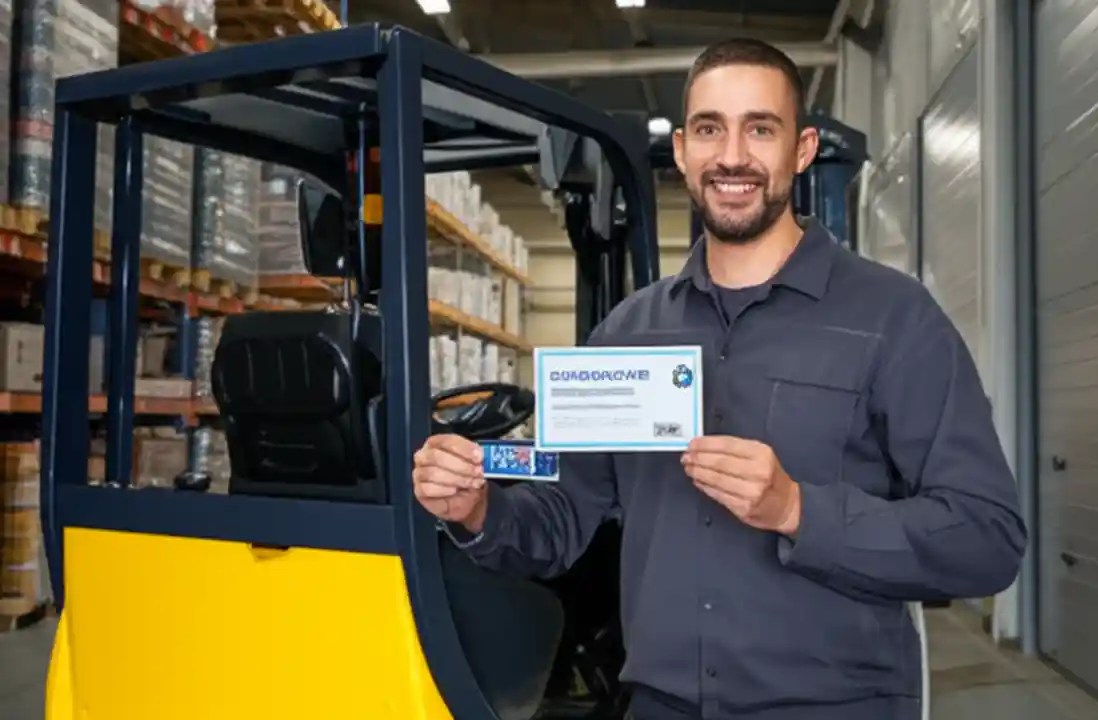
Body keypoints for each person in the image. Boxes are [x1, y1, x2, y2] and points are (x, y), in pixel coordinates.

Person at [414, 37, 1027, 720]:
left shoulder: (894, 319)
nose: (732, 156)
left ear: (801, 149)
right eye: (710, 129)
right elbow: (560, 520)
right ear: (682, 150)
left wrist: (799, 511)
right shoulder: (626, 333)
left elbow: (986, 539)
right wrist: (476, 510)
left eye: (760, 128)